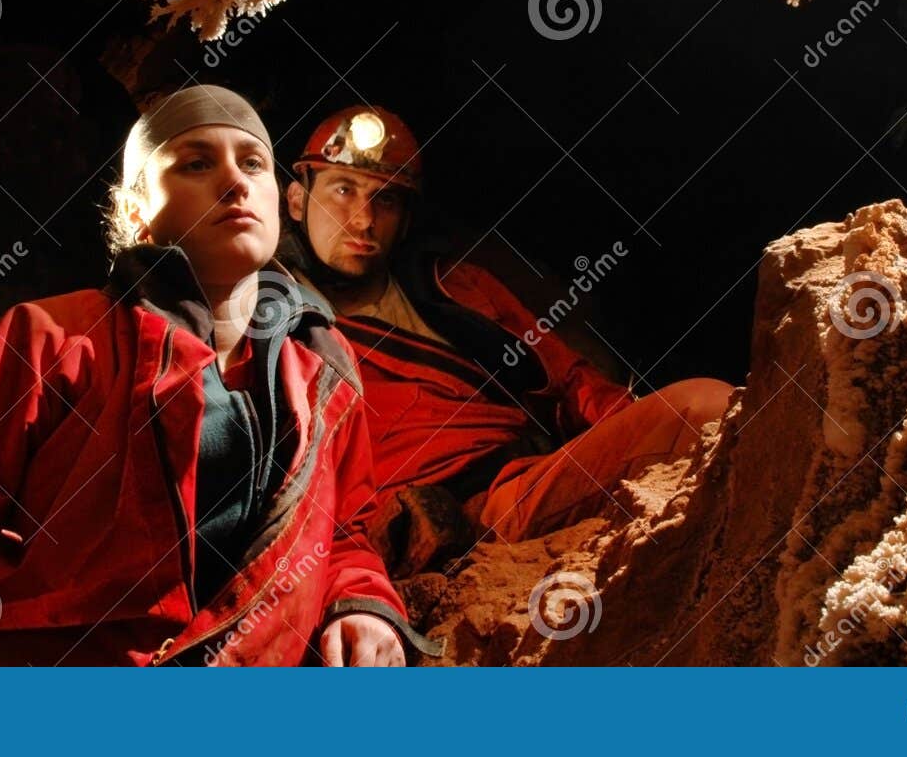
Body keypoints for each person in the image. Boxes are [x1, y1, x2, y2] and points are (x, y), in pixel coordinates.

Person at [0, 85, 437, 666]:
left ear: (277, 197)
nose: (234, 183)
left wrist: (361, 602)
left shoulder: (322, 371)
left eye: (252, 163)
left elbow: (343, 529)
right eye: (196, 163)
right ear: (135, 212)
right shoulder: (54, 341)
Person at [282, 105, 735, 556]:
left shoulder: (458, 286)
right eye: (343, 189)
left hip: (526, 482)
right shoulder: (279, 323)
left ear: (405, 219)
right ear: (298, 200)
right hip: (436, 521)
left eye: (385, 199)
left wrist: (630, 431)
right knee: (703, 409)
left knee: (711, 409)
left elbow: (572, 380)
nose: (362, 219)